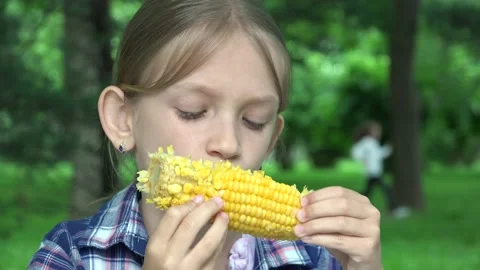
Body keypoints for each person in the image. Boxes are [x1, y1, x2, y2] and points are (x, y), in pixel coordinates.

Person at [28, 1, 383, 269]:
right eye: (193, 112)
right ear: (123, 119)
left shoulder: (313, 258)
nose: (228, 144)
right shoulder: (69, 256)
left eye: (254, 120)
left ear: (273, 137)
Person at [351, 120, 396, 212]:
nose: (379, 133)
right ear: (370, 131)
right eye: (377, 130)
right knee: (386, 189)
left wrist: (388, 149)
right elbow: (356, 151)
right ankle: (394, 208)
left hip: (373, 172)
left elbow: (378, 154)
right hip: (373, 172)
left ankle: (354, 202)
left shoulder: (372, 142)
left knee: (367, 192)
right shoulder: (368, 141)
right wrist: (363, 159)